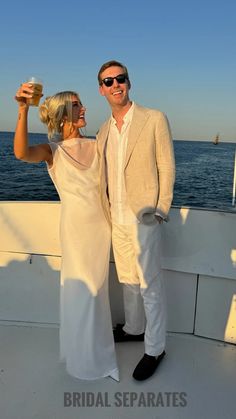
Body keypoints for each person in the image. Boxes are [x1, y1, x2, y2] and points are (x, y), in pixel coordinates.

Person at [14, 82, 119, 381]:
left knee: (97, 292)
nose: (83, 108)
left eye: (81, 103)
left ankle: (95, 352)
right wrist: (23, 110)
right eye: (76, 105)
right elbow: (21, 153)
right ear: (62, 115)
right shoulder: (53, 151)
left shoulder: (98, 142)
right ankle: (86, 360)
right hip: (75, 231)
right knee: (82, 292)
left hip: (102, 228)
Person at [97, 60, 175, 381]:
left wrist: (160, 211)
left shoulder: (154, 118)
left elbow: (166, 167)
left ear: (129, 82)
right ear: (101, 89)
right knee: (127, 279)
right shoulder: (102, 132)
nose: (116, 84)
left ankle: (155, 348)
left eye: (121, 78)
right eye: (108, 81)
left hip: (143, 219)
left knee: (150, 286)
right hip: (115, 219)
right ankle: (133, 328)